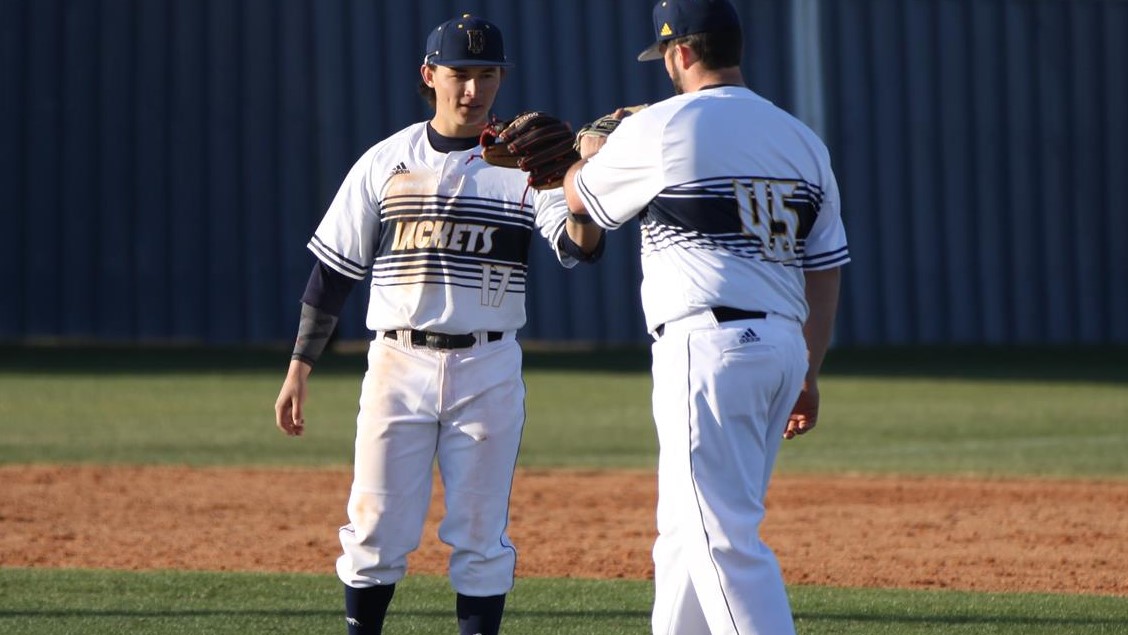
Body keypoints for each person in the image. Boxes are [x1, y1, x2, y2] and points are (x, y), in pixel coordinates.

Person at [273, 14, 604, 635]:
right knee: (373, 529)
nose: (473, 89)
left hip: (487, 365)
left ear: (501, 79)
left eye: (487, 75)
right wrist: (299, 368)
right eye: (460, 74)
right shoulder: (387, 160)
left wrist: (575, 179)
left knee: (480, 537)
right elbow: (333, 272)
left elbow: (581, 246)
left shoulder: (528, 165)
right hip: (397, 363)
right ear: (430, 75)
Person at [560, 1, 850, 633]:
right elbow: (825, 266)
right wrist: (810, 366)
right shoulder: (801, 139)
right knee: (684, 537)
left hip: (708, 347)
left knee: (722, 543)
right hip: (781, 347)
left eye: (665, 55)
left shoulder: (666, 125)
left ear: (682, 52)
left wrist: (586, 151)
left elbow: (581, 197)